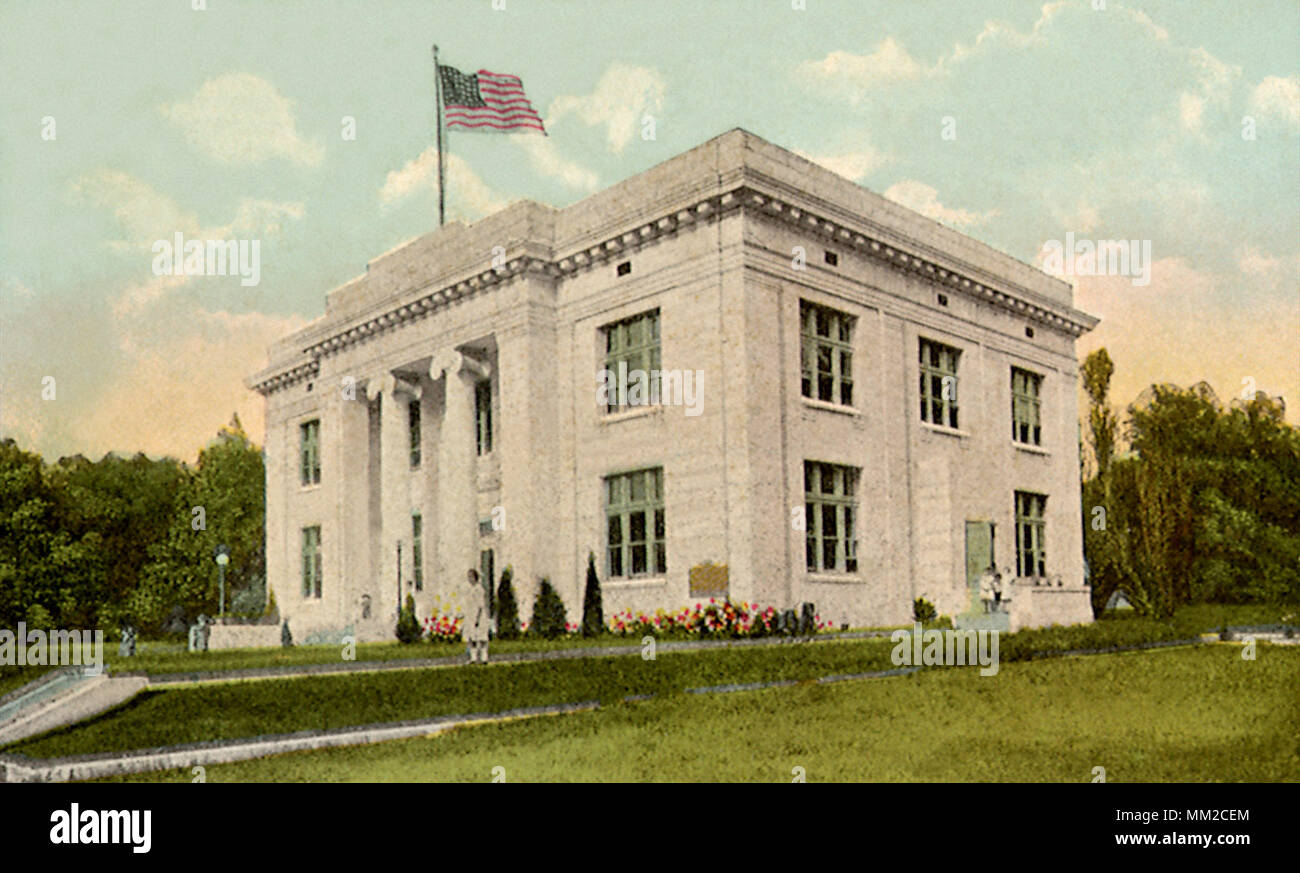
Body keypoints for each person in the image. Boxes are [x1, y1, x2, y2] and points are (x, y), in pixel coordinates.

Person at [464, 568, 491, 664]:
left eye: (471, 577)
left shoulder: (479, 589)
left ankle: (484, 658)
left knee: (481, 637)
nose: (470, 579)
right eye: (468, 577)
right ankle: (473, 658)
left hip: (479, 616)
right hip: (470, 615)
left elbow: (480, 605)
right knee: (472, 638)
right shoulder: (469, 589)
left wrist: (477, 618)